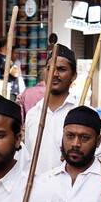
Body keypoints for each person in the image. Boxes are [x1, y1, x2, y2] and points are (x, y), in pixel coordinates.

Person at [23, 45, 79, 174]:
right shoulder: (33, 114)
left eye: (61, 69)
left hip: (68, 191)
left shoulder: (79, 112)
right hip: (35, 188)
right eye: (50, 68)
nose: (54, 74)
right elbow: (27, 158)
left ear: (74, 75)